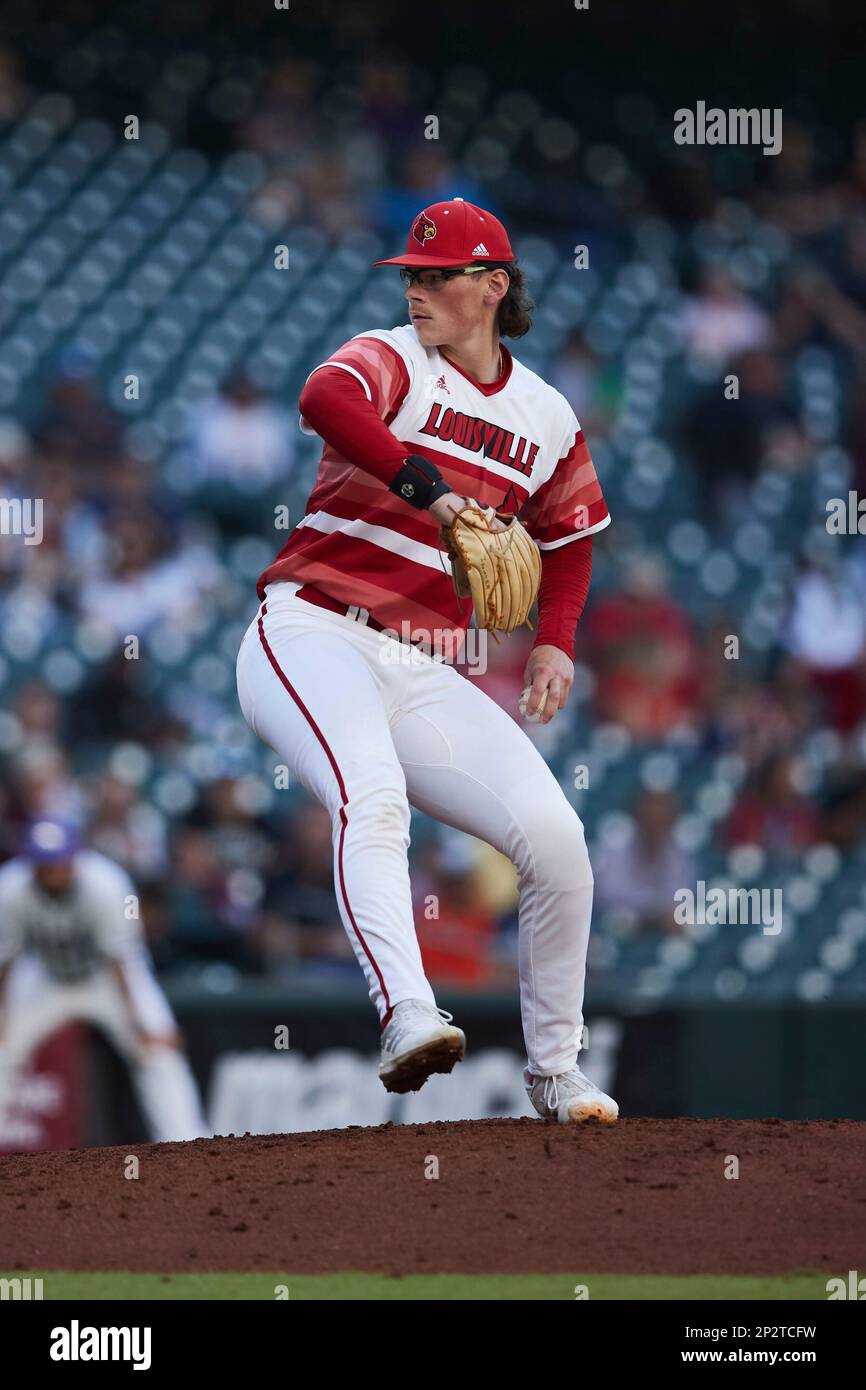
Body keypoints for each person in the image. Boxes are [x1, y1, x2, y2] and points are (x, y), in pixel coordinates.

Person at [236, 198, 617, 1124]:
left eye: (435, 275)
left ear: (492, 286)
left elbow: (569, 538)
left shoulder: (547, 412)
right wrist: (437, 498)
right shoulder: (392, 358)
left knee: (559, 844)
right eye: (409, 274)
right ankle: (408, 1012)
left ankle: (556, 1073)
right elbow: (322, 400)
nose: (416, 290)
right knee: (373, 797)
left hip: (423, 663)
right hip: (312, 630)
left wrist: (556, 643)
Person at [0, 819, 206, 1144]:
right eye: (43, 863)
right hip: (44, 976)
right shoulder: (10, 887)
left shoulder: (107, 884)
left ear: (75, 857)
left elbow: (122, 962)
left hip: (105, 977)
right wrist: (3, 1020)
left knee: (156, 1049)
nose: (51, 871)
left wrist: (142, 1027)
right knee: (2, 1049)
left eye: (58, 862)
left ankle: (187, 1142)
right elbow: (5, 961)